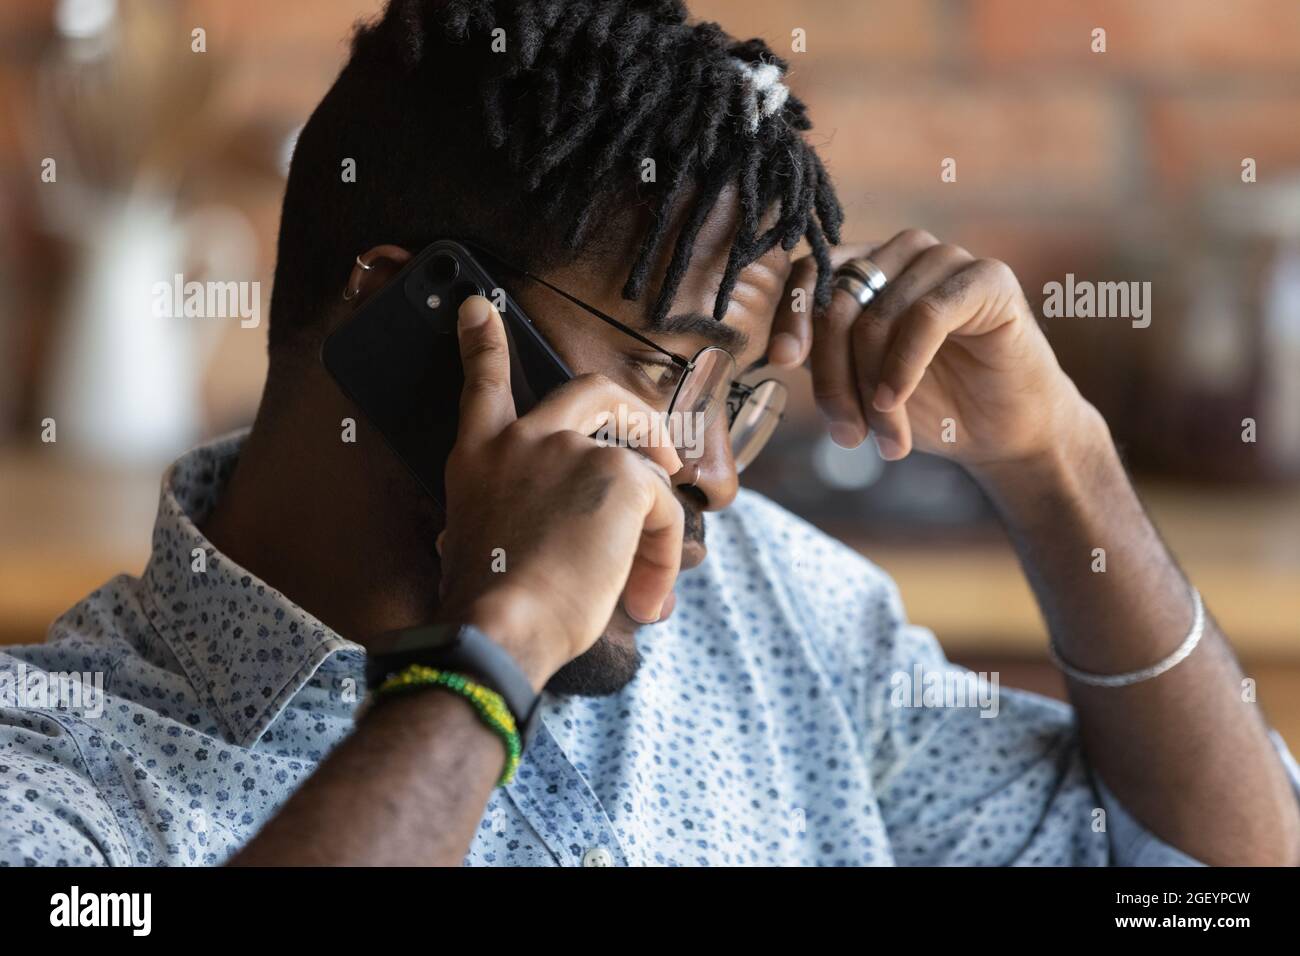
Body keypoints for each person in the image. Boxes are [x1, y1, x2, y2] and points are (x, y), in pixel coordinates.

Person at [2, 0, 1297, 867]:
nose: (718, 478)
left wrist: (1056, 457)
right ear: (415, 317)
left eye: (741, 399)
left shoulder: (773, 616)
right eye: (675, 373)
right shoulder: (61, 771)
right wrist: (483, 665)